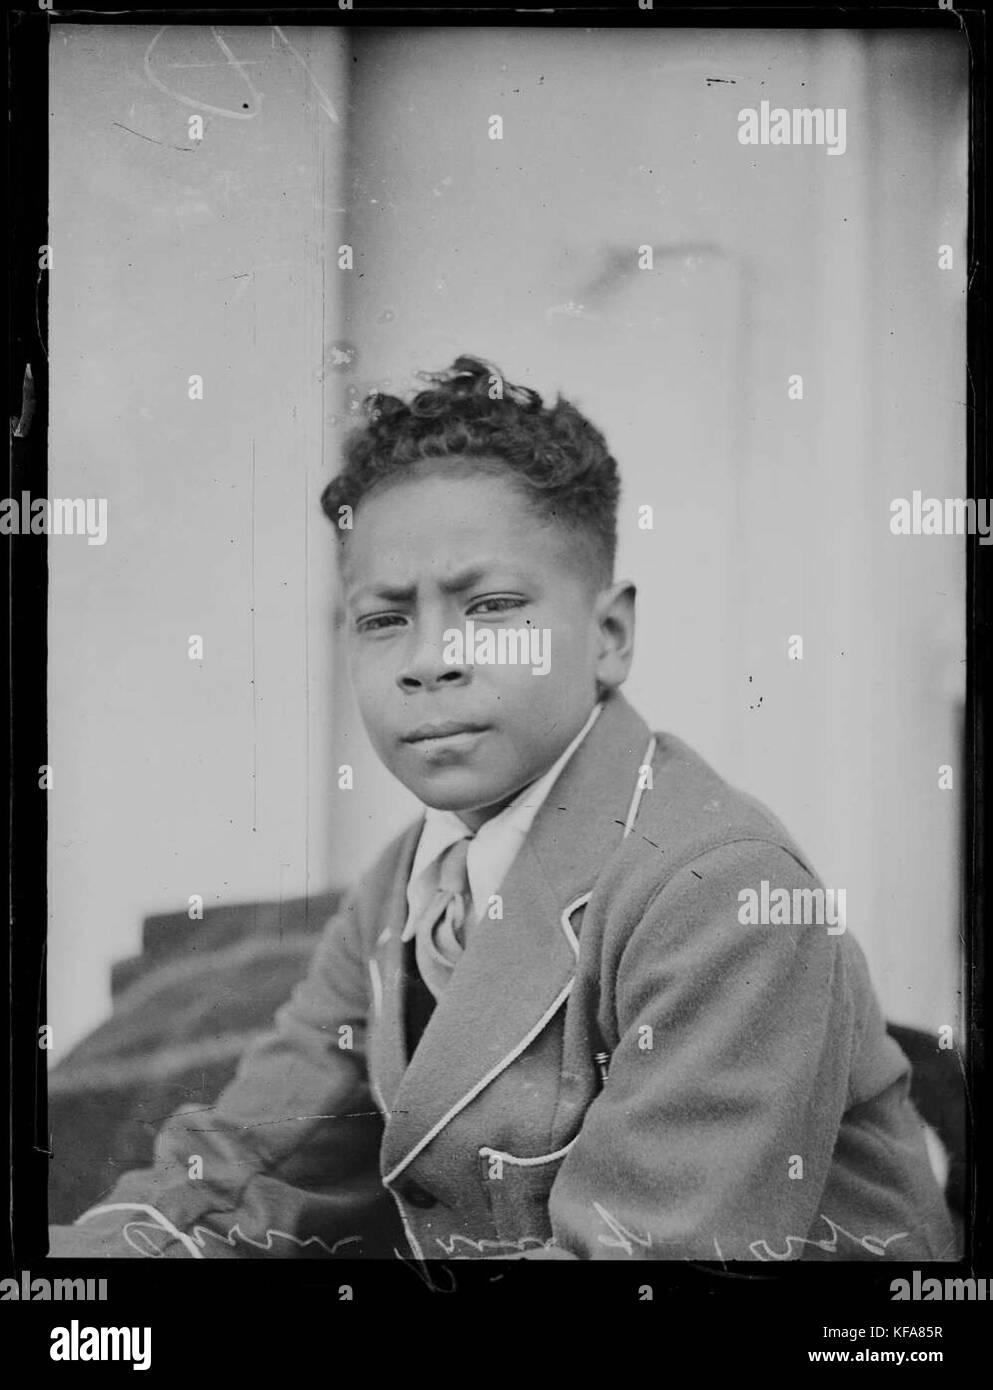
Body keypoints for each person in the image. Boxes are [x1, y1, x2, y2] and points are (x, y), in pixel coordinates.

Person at [49, 356, 956, 1261]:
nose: (428, 659)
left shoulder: (717, 889)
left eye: (489, 607)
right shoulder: (407, 877)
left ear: (609, 637)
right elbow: (243, 1163)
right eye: (382, 617)